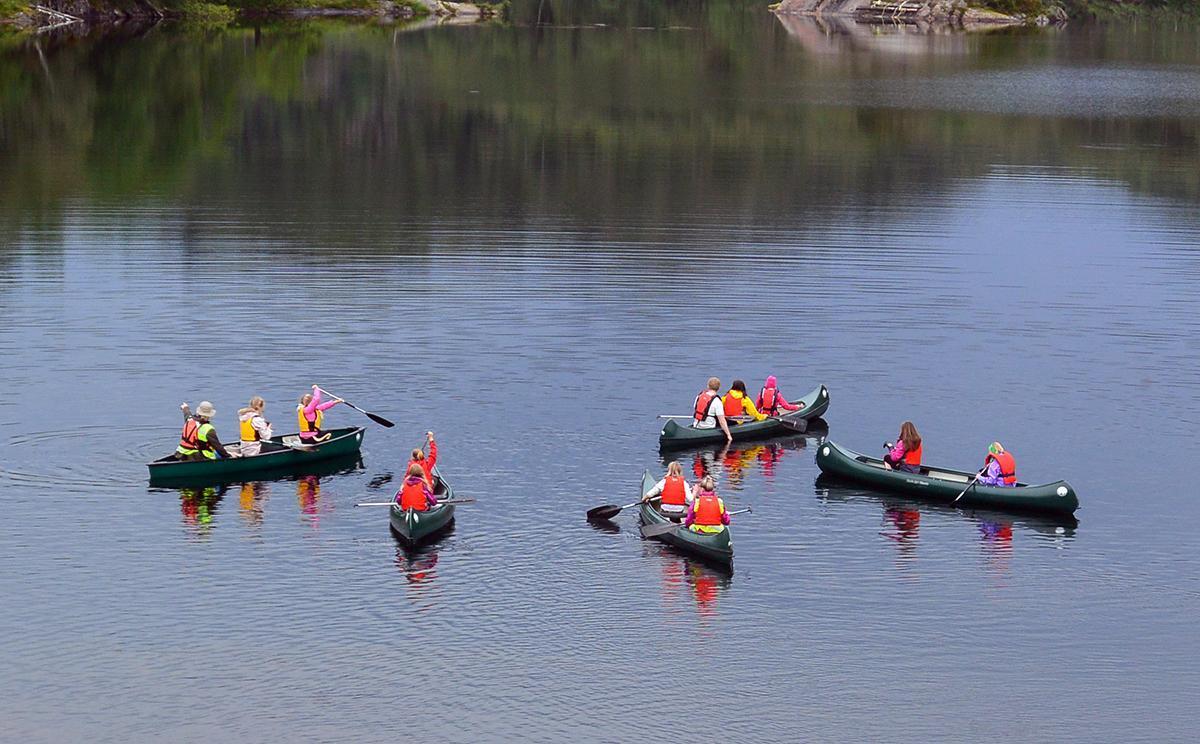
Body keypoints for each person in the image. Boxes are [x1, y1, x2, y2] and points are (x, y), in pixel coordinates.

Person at [692, 377, 732, 442]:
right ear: (719, 388)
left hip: (696, 425)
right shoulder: (717, 401)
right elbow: (722, 421)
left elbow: (695, 408)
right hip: (708, 427)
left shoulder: (699, 396)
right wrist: (729, 435)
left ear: (708, 386)